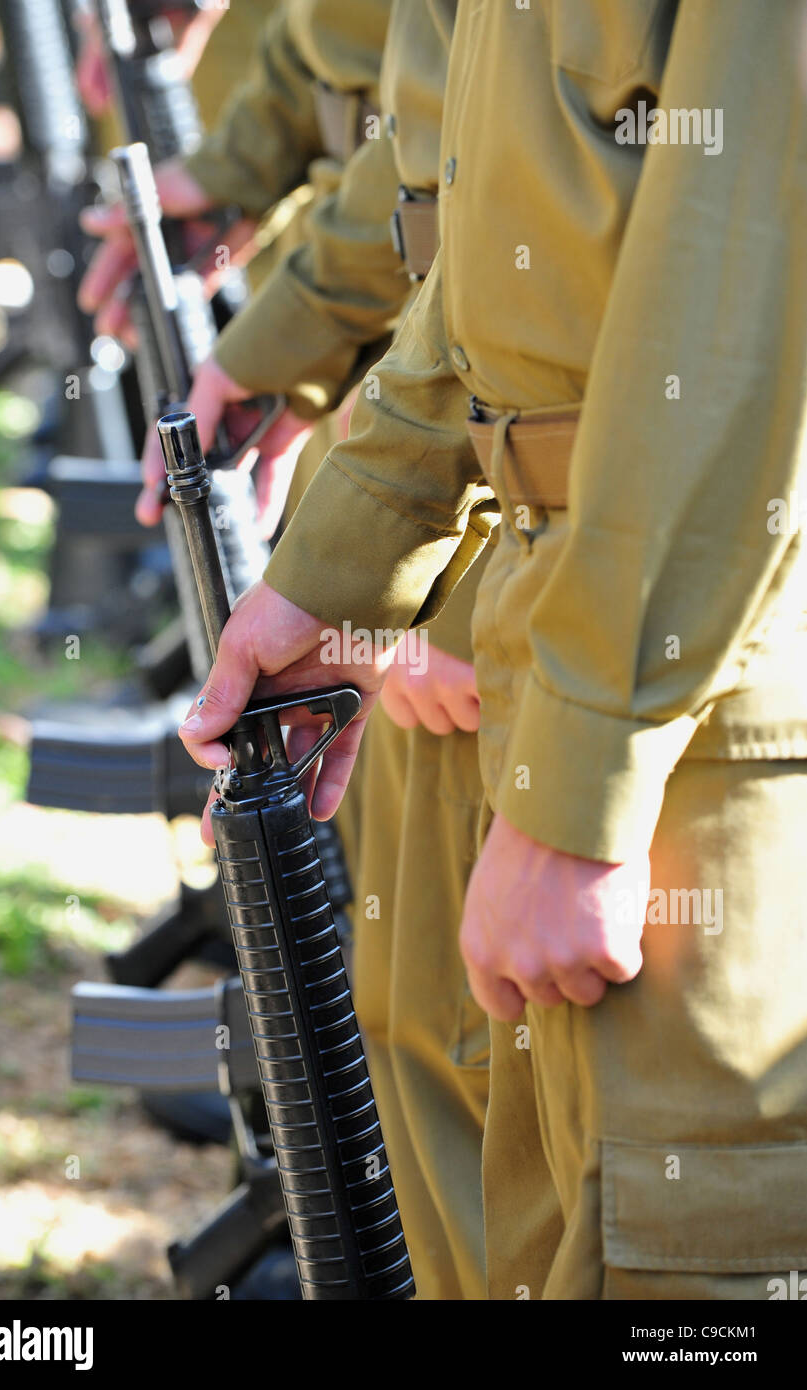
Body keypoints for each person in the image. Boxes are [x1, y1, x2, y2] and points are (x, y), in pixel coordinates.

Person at [179, 0, 807, 1298]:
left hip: (714, 660)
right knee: (534, 1245)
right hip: (574, 605)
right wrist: (341, 571)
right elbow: (483, 251)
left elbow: (743, 306)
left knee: (689, 1270)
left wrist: (580, 792)